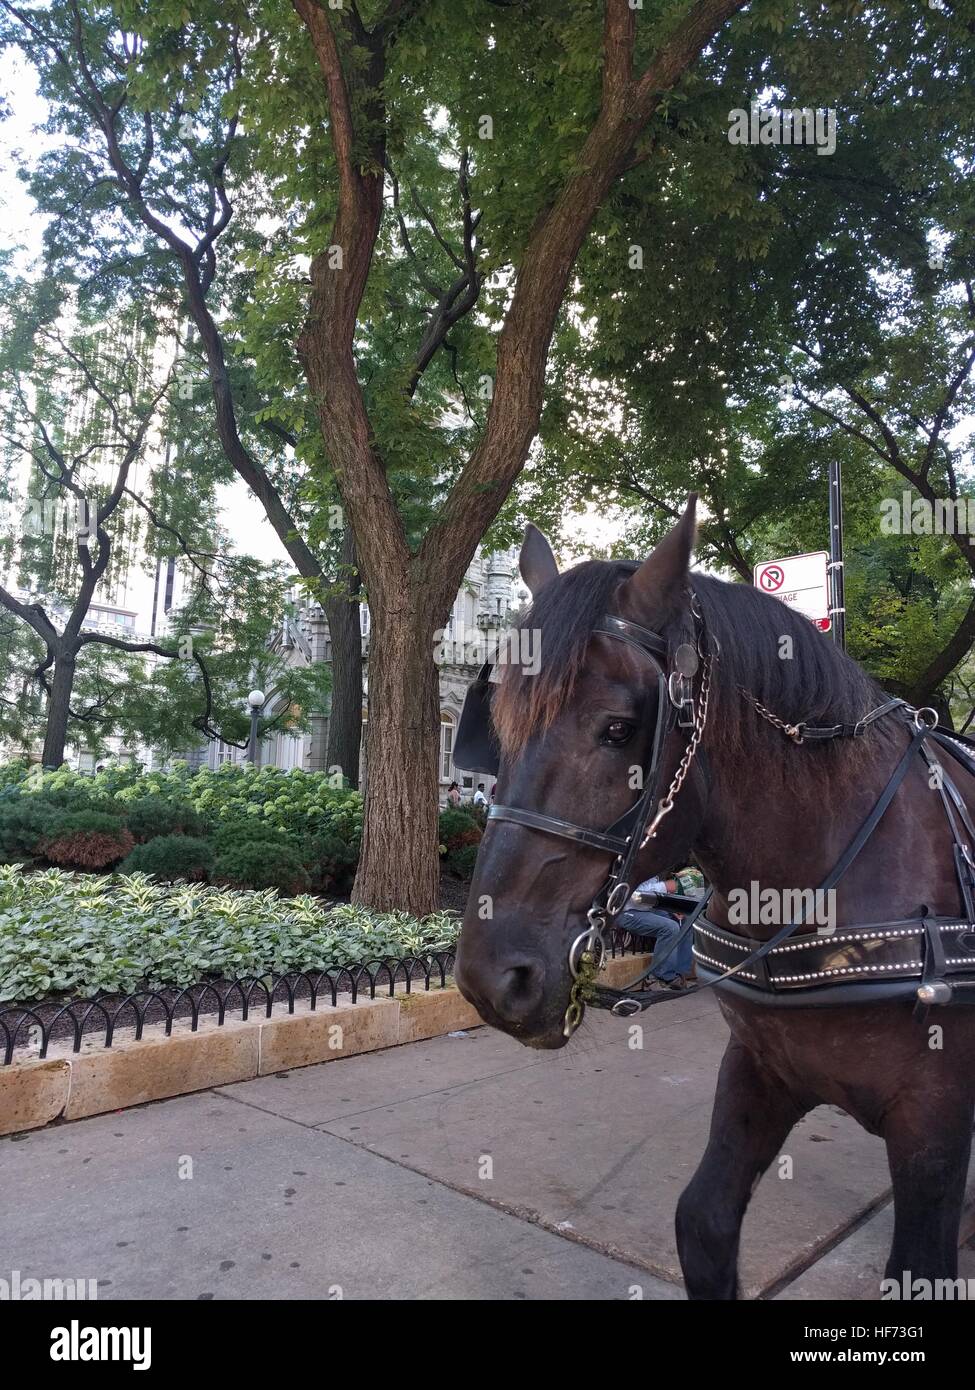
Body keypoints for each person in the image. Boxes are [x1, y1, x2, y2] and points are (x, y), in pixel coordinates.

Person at [616, 872, 695, 991]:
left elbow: (653, 897)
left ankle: (679, 975)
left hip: (648, 909)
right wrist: (666, 886)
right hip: (627, 912)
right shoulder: (632, 863)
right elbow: (634, 896)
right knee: (670, 928)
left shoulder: (651, 865)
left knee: (687, 921)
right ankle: (659, 977)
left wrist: (671, 908)